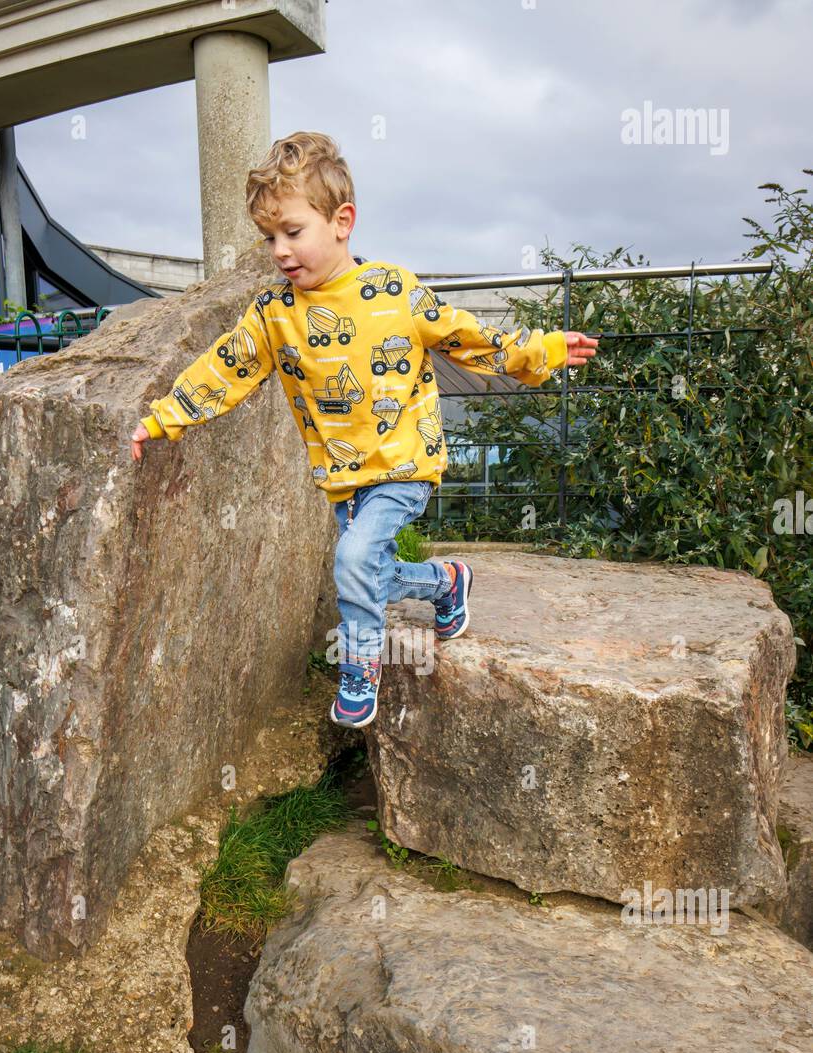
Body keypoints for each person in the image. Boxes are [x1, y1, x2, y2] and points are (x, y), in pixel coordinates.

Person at [131, 131, 599, 729]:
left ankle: (359, 666)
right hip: (342, 474)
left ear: (342, 220)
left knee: (352, 555)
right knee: (367, 569)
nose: (279, 250)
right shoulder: (275, 316)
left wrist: (544, 350)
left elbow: (469, 340)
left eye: (293, 232)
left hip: (404, 462)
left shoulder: (393, 291)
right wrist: (162, 418)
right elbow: (225, 369)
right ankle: (446, 582)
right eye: (269, 237)